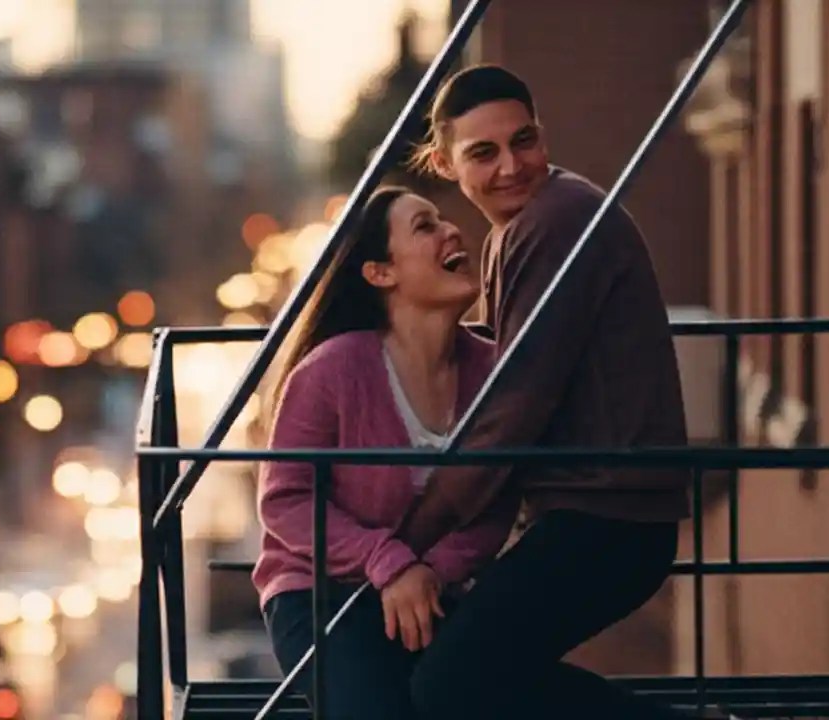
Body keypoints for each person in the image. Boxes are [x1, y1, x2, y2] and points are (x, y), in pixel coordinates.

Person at [400, 64, 691, 718]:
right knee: (478, 676)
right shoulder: (520, 228)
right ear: (446, 164)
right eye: (484, 152)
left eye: (523, 141)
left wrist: (414, 530)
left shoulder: (560, 218)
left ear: (543, 136)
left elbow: (514, 403)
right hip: (592, 510)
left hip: (610, 518)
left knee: (451, 683)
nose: (511, 166)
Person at [252, 186, 520, 718]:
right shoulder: (331, 370)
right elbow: (285, 500)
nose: (451, 231)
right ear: (380, 272)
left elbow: (497, 499)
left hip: (434, 589)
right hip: (319, 593)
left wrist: (431, 572)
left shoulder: (493, 371)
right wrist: (388, 563)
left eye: (443, 219)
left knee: (513, 693)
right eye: (425, 226)